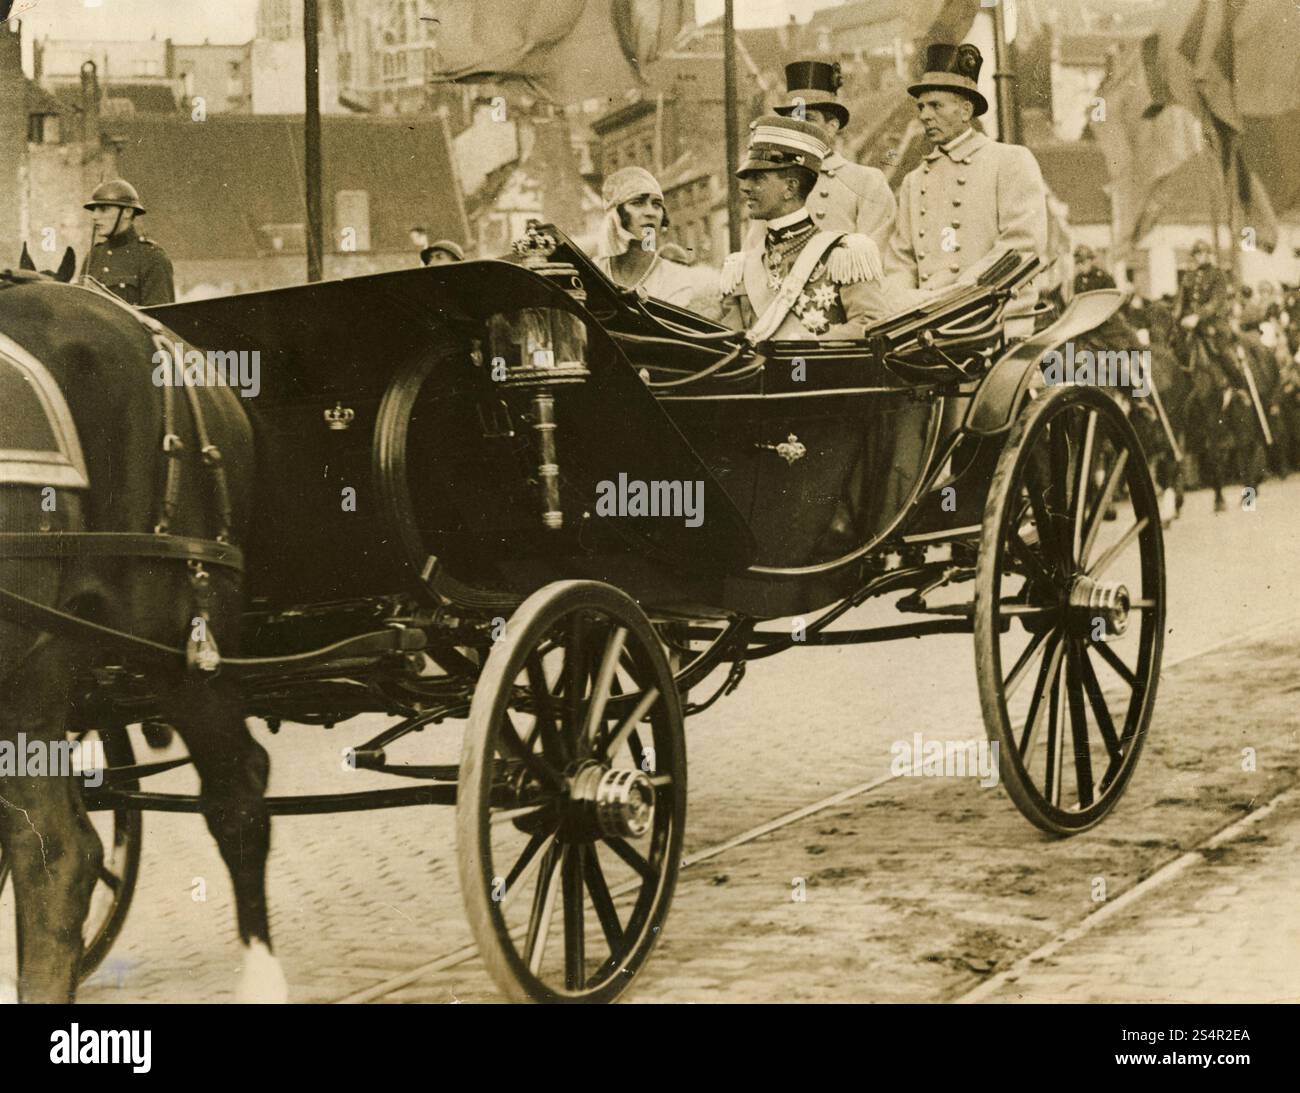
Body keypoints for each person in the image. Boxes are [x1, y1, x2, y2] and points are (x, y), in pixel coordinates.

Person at [885, 43, 1047, 307]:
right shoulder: (913, 182)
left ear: (965, 111)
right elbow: (900, 261)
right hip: (926, 318)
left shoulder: (1010, 161)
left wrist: (953, 296)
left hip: (992, 314)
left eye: (935, 105)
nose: (925, 115)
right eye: (921, 107)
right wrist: (902, 300)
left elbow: (1020, 246)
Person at [719, 115, 907, 340]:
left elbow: (871, 326)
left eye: (758, 179)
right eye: (747, 178)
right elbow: (726, 342)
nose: (746, 188)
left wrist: (810, 345)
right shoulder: (742, 267)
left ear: (790, 188)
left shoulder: (845, 256)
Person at [757, 60, 896, 250]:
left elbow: (872, 253)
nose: (799, 128)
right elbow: (755, 251)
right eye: (792, 120)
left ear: (831, 127)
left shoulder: (867, 182)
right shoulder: (774, 183)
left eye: (808, 118)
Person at [592, 165, 720, 318]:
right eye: (637, 203)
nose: (650, 212)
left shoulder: (676, 279)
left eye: (657, 204)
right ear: (615, 213)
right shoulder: (592, 270)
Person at [82, 178, 175, 306]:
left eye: (103, 209)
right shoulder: (94, 256)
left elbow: (160, 315)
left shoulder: (152, 257)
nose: (95, 216)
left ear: (127, 212)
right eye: (94, 210)